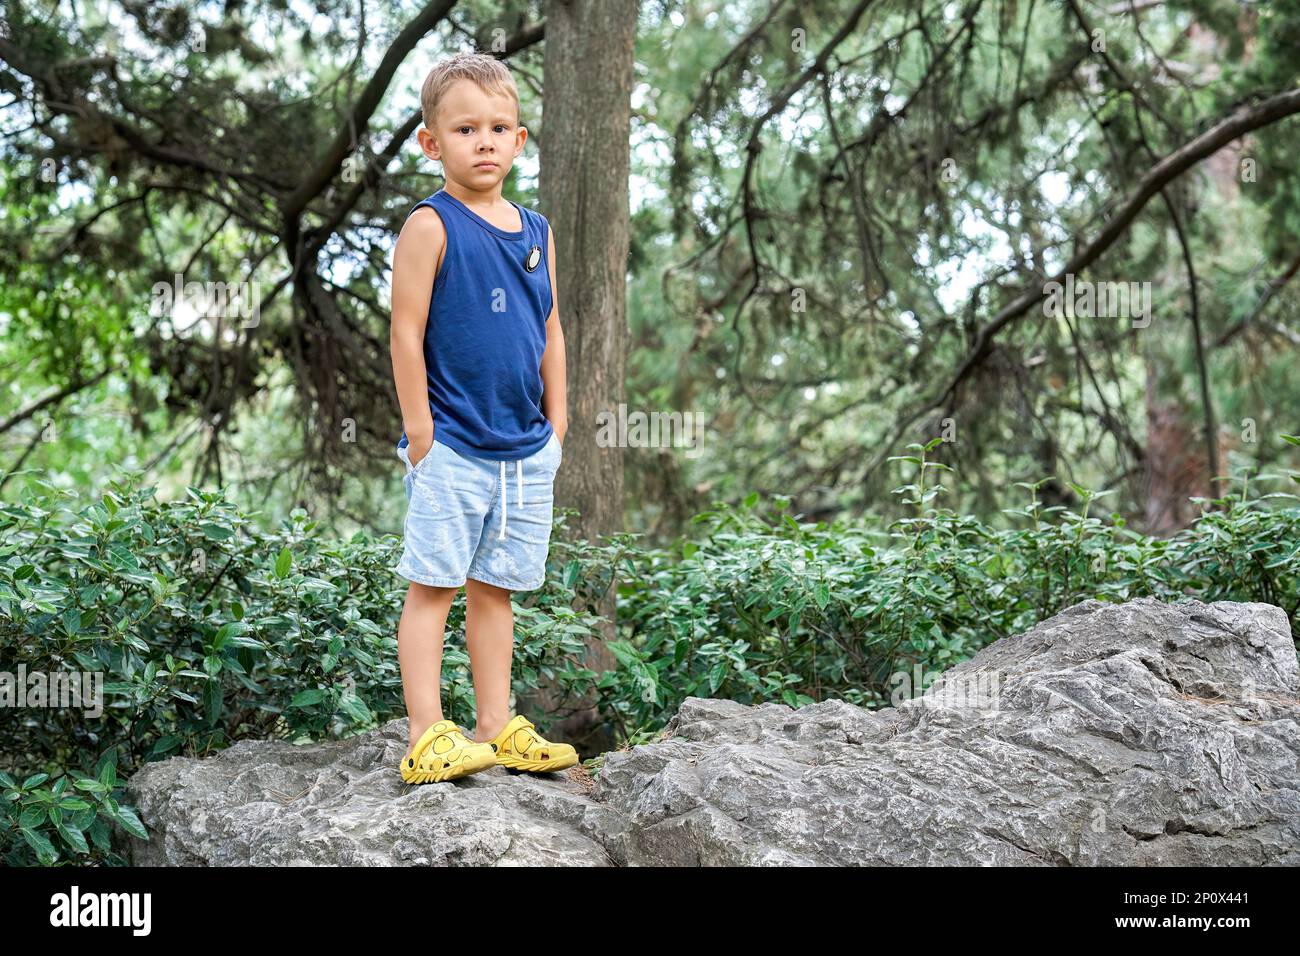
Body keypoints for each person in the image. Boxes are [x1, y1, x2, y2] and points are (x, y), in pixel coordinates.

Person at [388, 52, 577, 783]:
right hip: (454, 445)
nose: (485, 141)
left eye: (500, 127)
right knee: (434, 584)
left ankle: (496, 726)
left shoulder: (537, 231)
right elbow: (406, 332)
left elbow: (551, 328)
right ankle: (428, 732)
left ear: (521, 140)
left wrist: (557, 423)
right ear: (432, 142)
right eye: (466, 128)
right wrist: (422, 431)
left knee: (495, 587)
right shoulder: (430, 227)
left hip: (526, 447)